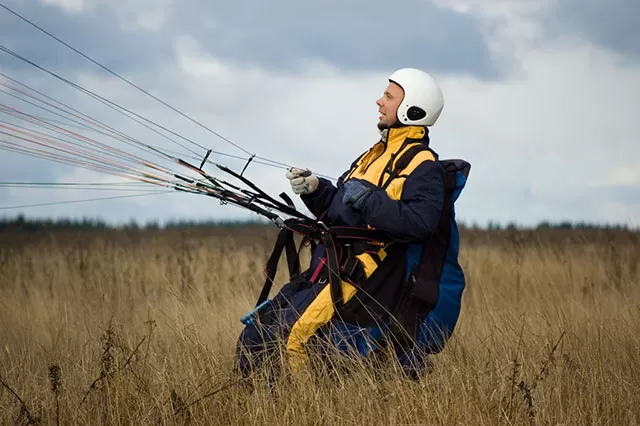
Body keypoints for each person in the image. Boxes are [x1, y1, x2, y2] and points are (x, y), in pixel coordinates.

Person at [235, 68, 470, 380]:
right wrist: (316, 191)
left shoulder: (422, 167)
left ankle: (304, 408)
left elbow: (419, 224)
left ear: (412, 109)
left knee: (292, 338)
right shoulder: (371, 156)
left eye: (389, 96)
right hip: (331, 270)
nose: (379, 101)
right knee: (257, 335)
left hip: (368, 278)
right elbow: (341, 212)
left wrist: (368, 200)